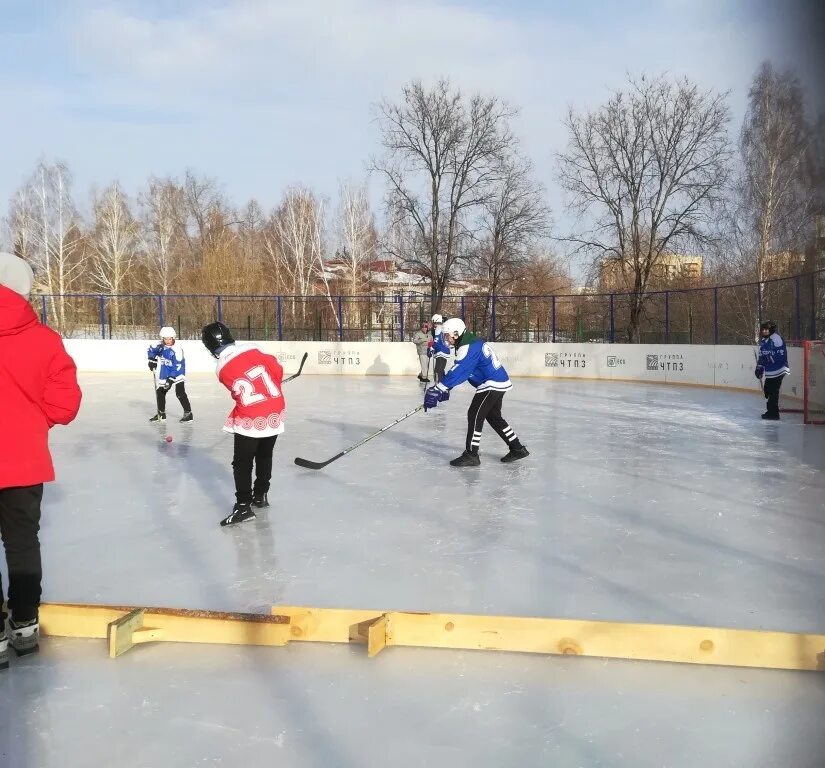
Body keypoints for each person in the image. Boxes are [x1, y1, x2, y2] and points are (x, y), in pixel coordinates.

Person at [0, 252, 82, 667]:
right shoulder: (45, 339)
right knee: (22, 544)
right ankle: (25, 624)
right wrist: (32, 423)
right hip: (24, 462)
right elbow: (64, 406)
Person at [202, 321, 286, 526]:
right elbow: (277, 370)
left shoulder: (221, 369)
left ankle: (242, 506)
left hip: (251, 413)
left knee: (242, 462)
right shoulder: (254, 348)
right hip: (275, 406)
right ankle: (261, 495)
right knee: (265, 454)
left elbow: (237, 392)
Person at [423, 318, 529, 467]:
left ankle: (472, 455)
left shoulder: (468, 346)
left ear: (456, 333)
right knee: (494, 417)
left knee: (474, 414)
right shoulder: (468, 342)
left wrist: (438, 389)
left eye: (447, 335)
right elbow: (464, 371)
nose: (446, 339)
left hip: (491, 383)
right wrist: (446, 388)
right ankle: (517, 448)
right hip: (497, 381)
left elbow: (459, 371)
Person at [147, 326, 192, 423]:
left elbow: (178, 365)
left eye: (170, 339)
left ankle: (188, 414)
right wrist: (152, 360)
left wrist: (171, 378)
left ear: (173, 338)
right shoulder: (159, 346)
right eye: (165, 339)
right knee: (160, 392)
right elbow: (151, 350)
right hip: (165, 371)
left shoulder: (177, 350)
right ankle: (161, 414)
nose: (168, 341)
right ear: (162, 338)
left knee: (180, 392)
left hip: (178, 371)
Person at [755, 320, 790, 421]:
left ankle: (773, 414)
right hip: (771, 371)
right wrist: (759, 368)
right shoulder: (764, 341)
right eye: (763, 329)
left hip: (779, 369)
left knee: (773, 391)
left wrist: (770, 359)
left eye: (766, 329)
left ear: (771, 330)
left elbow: (781, 354)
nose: (764, 331)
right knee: (767, 389)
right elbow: (762, 357)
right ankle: (771, 411)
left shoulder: (776, 339)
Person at [430, 313, 451, 383]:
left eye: (433, 322)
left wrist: (432, 348)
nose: (433, 324)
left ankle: (439, 384)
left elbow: (437, 339)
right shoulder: (444, 327)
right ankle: (443, 383)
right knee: (441, 369)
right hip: (445, 350)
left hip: (440, 350)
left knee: (438, 369)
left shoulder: (438, 328)